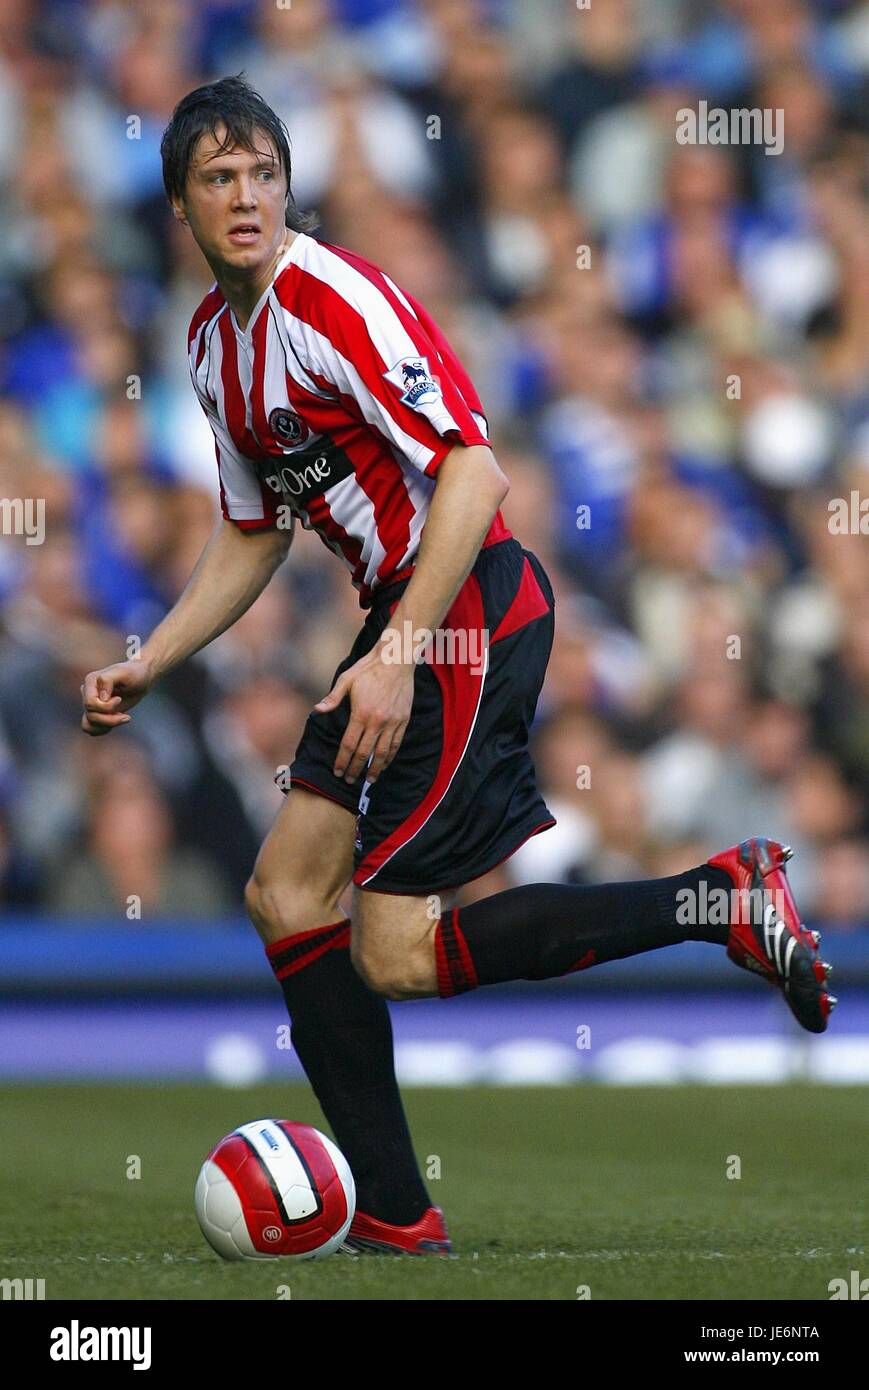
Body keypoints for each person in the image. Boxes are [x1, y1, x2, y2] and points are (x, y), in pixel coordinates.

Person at [80, 76, 835, 1256]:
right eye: (218, 179)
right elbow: (251, 529)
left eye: (263, 173)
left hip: (467, 608)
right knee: (284, 894)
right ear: (179, 204)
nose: (246, 197)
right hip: (400, 618)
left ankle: (716, 898)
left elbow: (476, 474)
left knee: (394, 950)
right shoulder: (210, 346)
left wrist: (395, 655)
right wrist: (151, 658)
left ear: (290, 185)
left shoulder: (337, 300)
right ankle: (391, 1205)